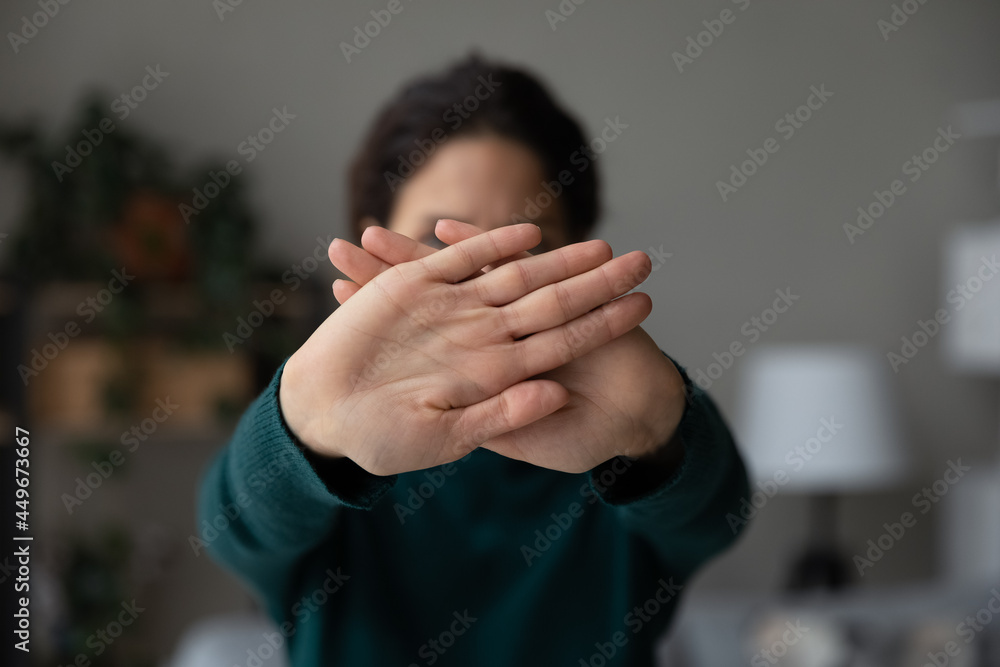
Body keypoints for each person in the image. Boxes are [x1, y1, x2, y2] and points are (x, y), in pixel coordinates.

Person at [198, 55, 750, 666]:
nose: (485, 279)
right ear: (370, 242)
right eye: (441, 242)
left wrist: (660, 428)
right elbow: (234, 529)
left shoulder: (616, 437)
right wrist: (303, 423)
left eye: (526, 242)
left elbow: (716, 514)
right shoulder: (337, 450)